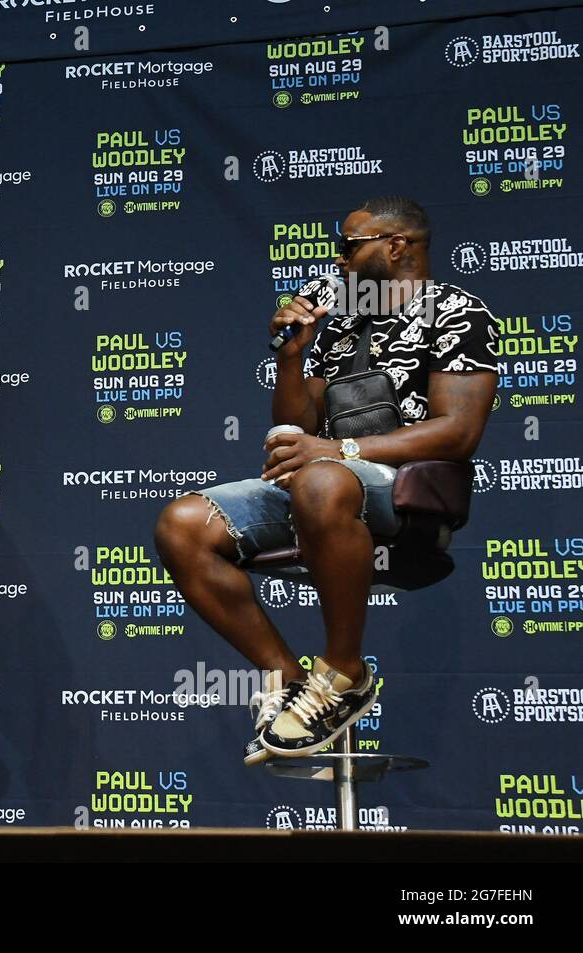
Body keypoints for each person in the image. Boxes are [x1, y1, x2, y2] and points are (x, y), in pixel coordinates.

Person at [154, 197, 498, 763]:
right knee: (183, 525)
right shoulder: (341, 322)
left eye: (349, 245)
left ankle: (344, 670)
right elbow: (298, 423)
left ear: (396, 246)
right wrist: (292, 357)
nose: (338, 260)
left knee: (318, 479)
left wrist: (337, 450)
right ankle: (289, 679)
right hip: (329, 483)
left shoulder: (458, 312)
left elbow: (458, 432)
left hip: (409, 491)